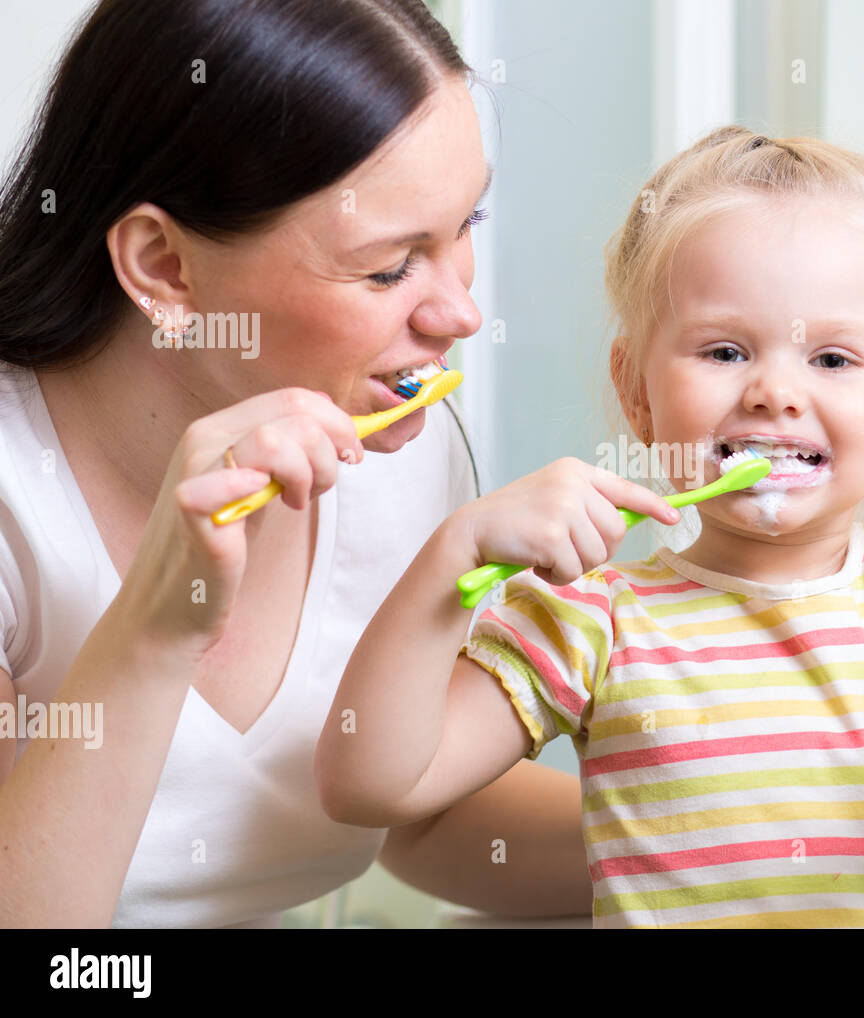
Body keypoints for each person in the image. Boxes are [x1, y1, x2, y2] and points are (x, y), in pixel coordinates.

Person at [315, 126, 864, 928]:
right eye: (725, 351)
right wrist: (455, 553)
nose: (775, 392)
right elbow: (371, 788)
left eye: (832, 360)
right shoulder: (593, 619)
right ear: (638, 393)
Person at [0, 0, 655, 928]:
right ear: (165, 268)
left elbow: (415, 822)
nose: (460, 314)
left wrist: (742, 829)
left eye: (465, 224)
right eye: (391, 269)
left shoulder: (402, 461)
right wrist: (154, 627)